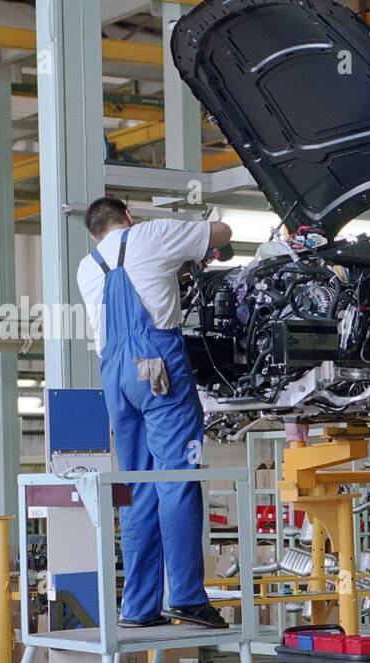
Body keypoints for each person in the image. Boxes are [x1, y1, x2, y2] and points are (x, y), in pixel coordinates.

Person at [76, 196, 232, 628]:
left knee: (137, 488)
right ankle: (185, 595)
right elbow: (221, 236)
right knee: (177, 478)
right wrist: (205, 229)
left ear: (94, 234)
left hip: (115, 379)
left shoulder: (87, 267)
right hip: (157, 369)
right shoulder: (150, 233)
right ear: (128, 216)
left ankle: (139, 607)